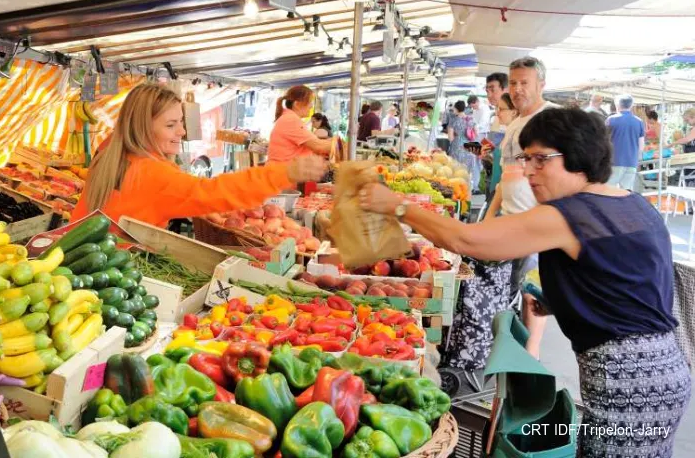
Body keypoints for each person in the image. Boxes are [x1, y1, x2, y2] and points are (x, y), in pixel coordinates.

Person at [359, 107, 690, 458]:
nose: (528, 171)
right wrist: (560, 298)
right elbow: (627, 278)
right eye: (526, 158)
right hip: (664, 369)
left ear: (578, 156)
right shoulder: (634, 204)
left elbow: (468, 242)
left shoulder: (570, 213)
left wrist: (398, 207)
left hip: (627, 381)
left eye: (541, 159)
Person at [71, 84, 328, 228]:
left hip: (85, 266)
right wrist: (284, 173)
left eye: (180, 122)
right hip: (113, 279)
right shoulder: (151, 173)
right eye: (170, 125)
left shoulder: (108, 153)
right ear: (141, 126)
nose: (182, 132)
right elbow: (216, 192)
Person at [485, 56, 558, 356]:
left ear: (541, 83)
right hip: (511, 222)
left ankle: (531, 355)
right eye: (513, 82)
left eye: (524, 82)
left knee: (532, 293)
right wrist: (489, 217)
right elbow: (505, 180)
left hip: (537, 224)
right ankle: (516, 353)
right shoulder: (514, 122)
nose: (516, 89)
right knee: (515, 291)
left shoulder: (552, 119)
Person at [267, 86, 334, 162]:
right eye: (309, 102)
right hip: (283, 171)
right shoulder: (290, 120)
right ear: (297, 104)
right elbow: (318, 146)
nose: (311, 106)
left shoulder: (289, 118)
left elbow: (315, 142)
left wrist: (334, 141)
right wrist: (341, 145)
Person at [605, 94, 645, 192]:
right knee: (627, 191)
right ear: (631, 106)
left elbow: (603, 140)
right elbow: (641, 146)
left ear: (617, 105)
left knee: (609, 190)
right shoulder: (639, 121)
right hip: (631, 162)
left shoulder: (611, 120)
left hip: (614, 160)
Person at [447, 101, 481, 190]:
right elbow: (477, 133)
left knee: (456, 168)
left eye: (454, 108)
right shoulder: (471, 119)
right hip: (470, 145)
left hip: (457, 144)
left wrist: (456, 139)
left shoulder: (453, 120)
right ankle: (467, 189)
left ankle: (457, 189)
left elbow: (450, 137)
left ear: (457, 109)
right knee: (468, 169)